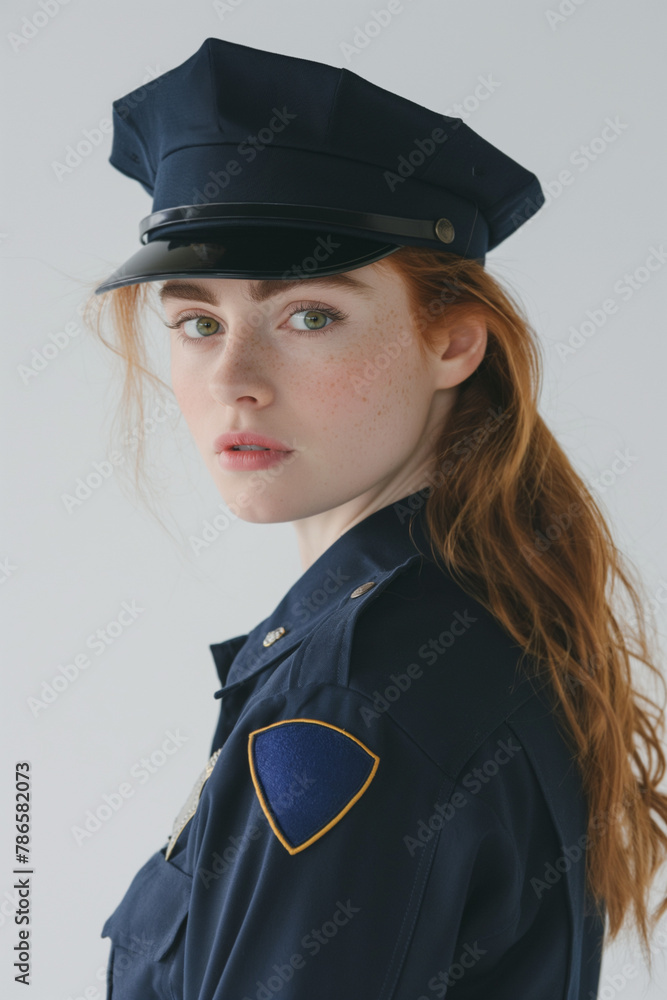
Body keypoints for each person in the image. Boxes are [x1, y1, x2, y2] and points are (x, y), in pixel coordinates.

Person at [83, 36, 667, 1000]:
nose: (233, 381)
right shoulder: (454, 623)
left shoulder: (355, 695)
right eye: (198, 323)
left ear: (452, 341)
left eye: (309, 315)